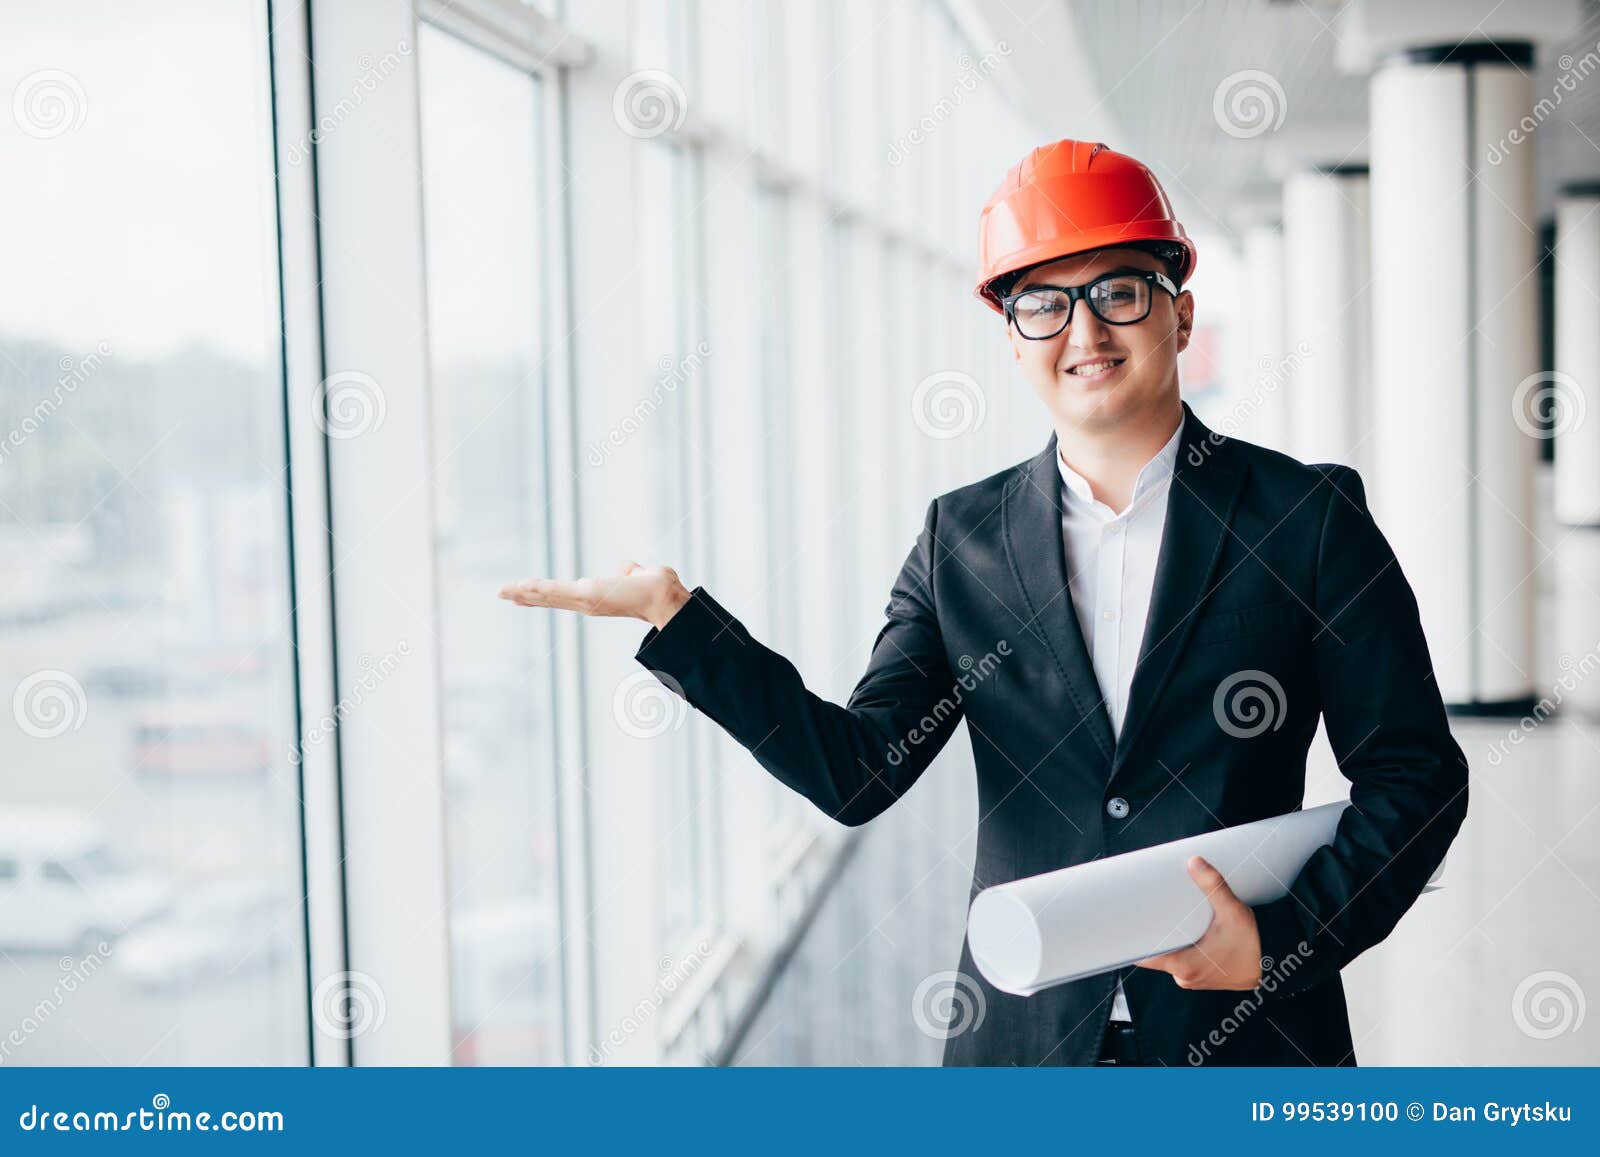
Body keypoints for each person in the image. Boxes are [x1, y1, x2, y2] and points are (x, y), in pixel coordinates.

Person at [499, 138, 1468, 1066]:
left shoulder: (1306, 517)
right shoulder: (957, 541)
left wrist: (1280, 940)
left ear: (1179, 313)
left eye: (1117, 292)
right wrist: (679, 621)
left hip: (1252, 1041)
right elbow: (857, 769)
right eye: (1043, 304)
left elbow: (1416, 776)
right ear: (1012, 340)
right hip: (1022, 1052)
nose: (1083, 331)